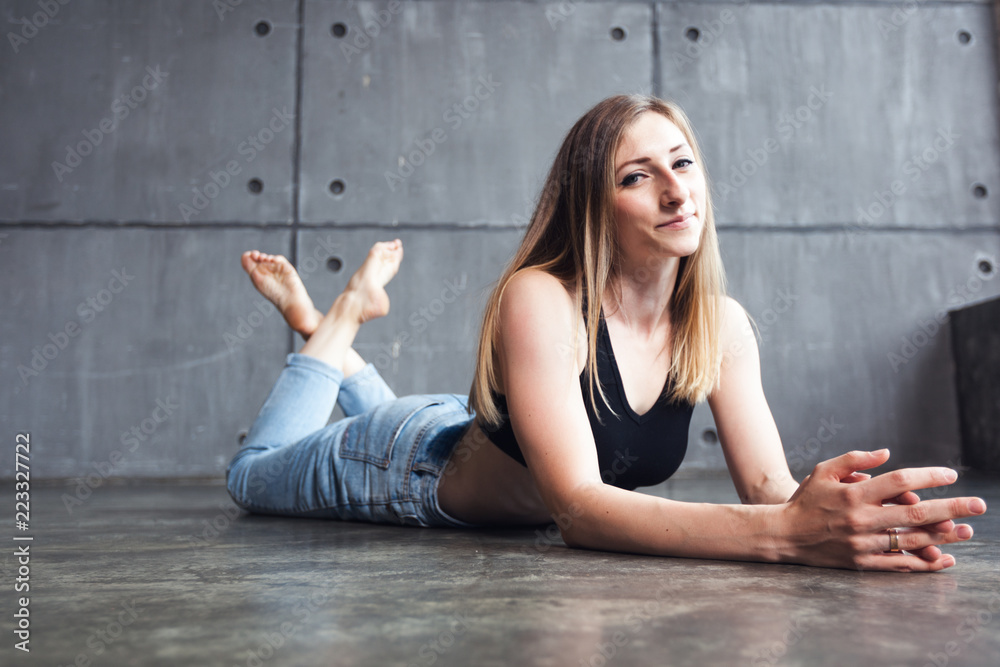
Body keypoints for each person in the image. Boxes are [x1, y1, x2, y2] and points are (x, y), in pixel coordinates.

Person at [226, 94, 986, 572]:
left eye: (682, 163)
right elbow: (580, 509)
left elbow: (767, 489)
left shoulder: (719, 325)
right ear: (594, 204)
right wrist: (788, 537)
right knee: (251, 476)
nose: (675, 188)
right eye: (636, 175)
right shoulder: (541, 298)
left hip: (473, 428)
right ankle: (333, 323)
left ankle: (332, 332)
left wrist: (852, 522)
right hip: (402, 465)